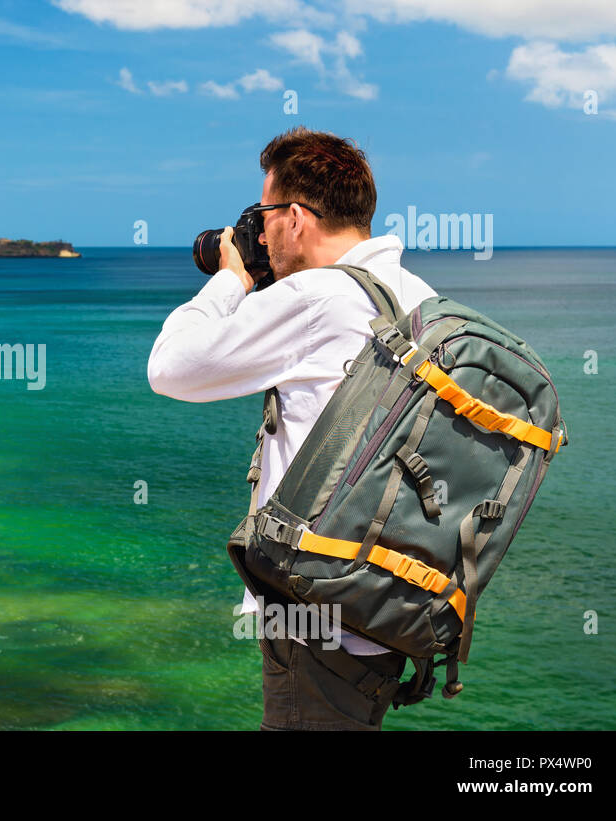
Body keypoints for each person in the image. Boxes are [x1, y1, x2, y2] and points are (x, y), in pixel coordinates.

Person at [147, 126, 438, 730]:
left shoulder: (317, 297)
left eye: (264, 213)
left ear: (297, 218)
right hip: (385, 606)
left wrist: (230, 277)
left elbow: (170, 368)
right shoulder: (418, 298)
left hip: (315, 620)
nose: (260, 229)